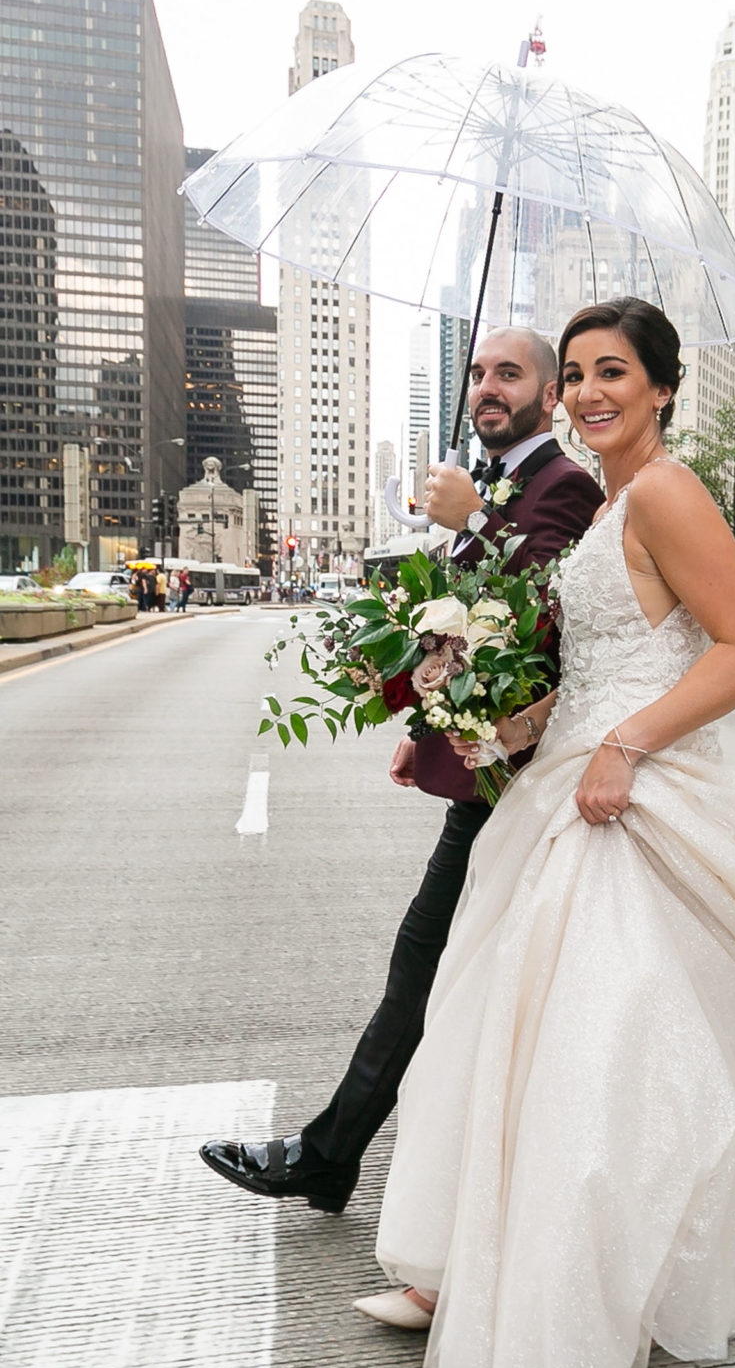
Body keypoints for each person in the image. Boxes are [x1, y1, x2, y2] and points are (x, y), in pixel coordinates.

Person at [354, 299, 735, 1368]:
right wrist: (465, 713)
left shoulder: (667, 490)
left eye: (609, 372)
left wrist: (624, 746)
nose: (584, 393)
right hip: (561, 789)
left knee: (597, 1066)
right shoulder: (611, 500)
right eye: (572, 375)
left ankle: (564, 1312)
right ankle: (487, 1268)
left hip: (626, 807)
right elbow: (570, 656)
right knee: (515, 1041)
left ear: (661, 387)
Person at [199, 327, 604, 1212]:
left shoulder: (562, 485)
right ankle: (340, 1157)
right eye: (479, 374)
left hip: (521, 782)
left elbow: (540, 612)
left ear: (549, 397)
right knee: (433, 970)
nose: (488, 388)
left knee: (430, 969)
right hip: (482, 765)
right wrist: (418, 719)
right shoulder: (497, 482)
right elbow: (463, 624)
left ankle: (337, 1158)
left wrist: (472, 520)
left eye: (512, 374)